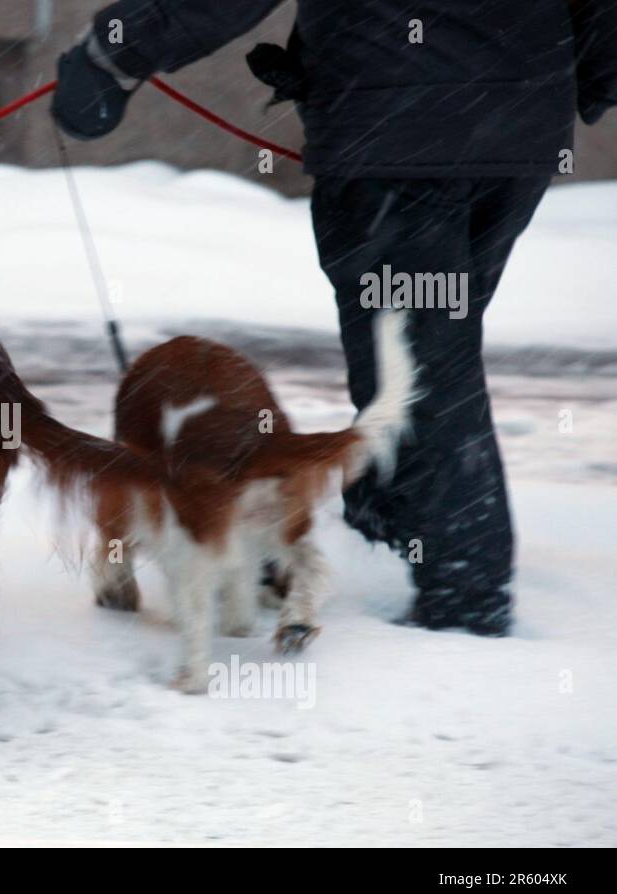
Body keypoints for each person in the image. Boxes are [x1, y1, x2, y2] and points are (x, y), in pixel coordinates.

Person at [52, 0, 617, 636]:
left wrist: (113, 54)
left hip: (400, 136)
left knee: (426, 369)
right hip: (516, 130)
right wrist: (589, 72)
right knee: (416, 357)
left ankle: (467, 602)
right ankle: (383, 531)